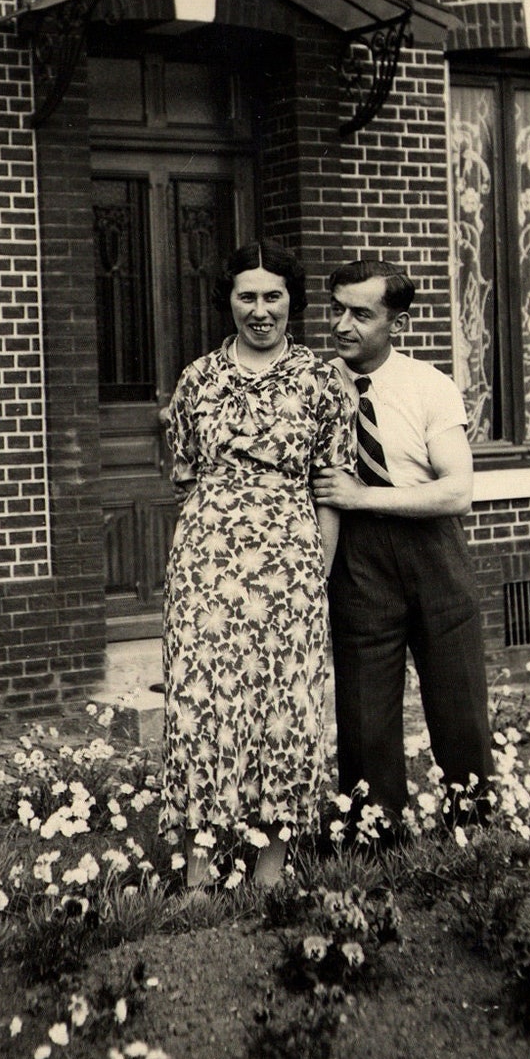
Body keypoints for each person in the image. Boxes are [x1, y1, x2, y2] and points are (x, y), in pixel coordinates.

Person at [160, 241, 355, 888]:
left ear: (293, 301)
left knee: (284, 709)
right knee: (201, 707)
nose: (261, 310)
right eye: (248, 296)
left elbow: (331, 489)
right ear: (230, 301)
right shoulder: (197, 380)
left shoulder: (321, 382)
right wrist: (208, 546)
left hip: (289, 569)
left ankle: (271, 870)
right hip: (207, 568)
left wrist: (316, 575)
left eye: (274, 296)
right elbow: (184, 478)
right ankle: (198, 872)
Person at [312, 259, 493, 826]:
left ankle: (472, 823)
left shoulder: (428, 386)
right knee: (364, 704)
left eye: (361, 314)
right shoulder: (313, 386)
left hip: (432, 550)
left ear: (399, 323)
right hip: (357, 555)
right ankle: (374, 829)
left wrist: (361, 495)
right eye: (336, 309)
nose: (342, 324)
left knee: (458, 699)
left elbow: (458, 492)